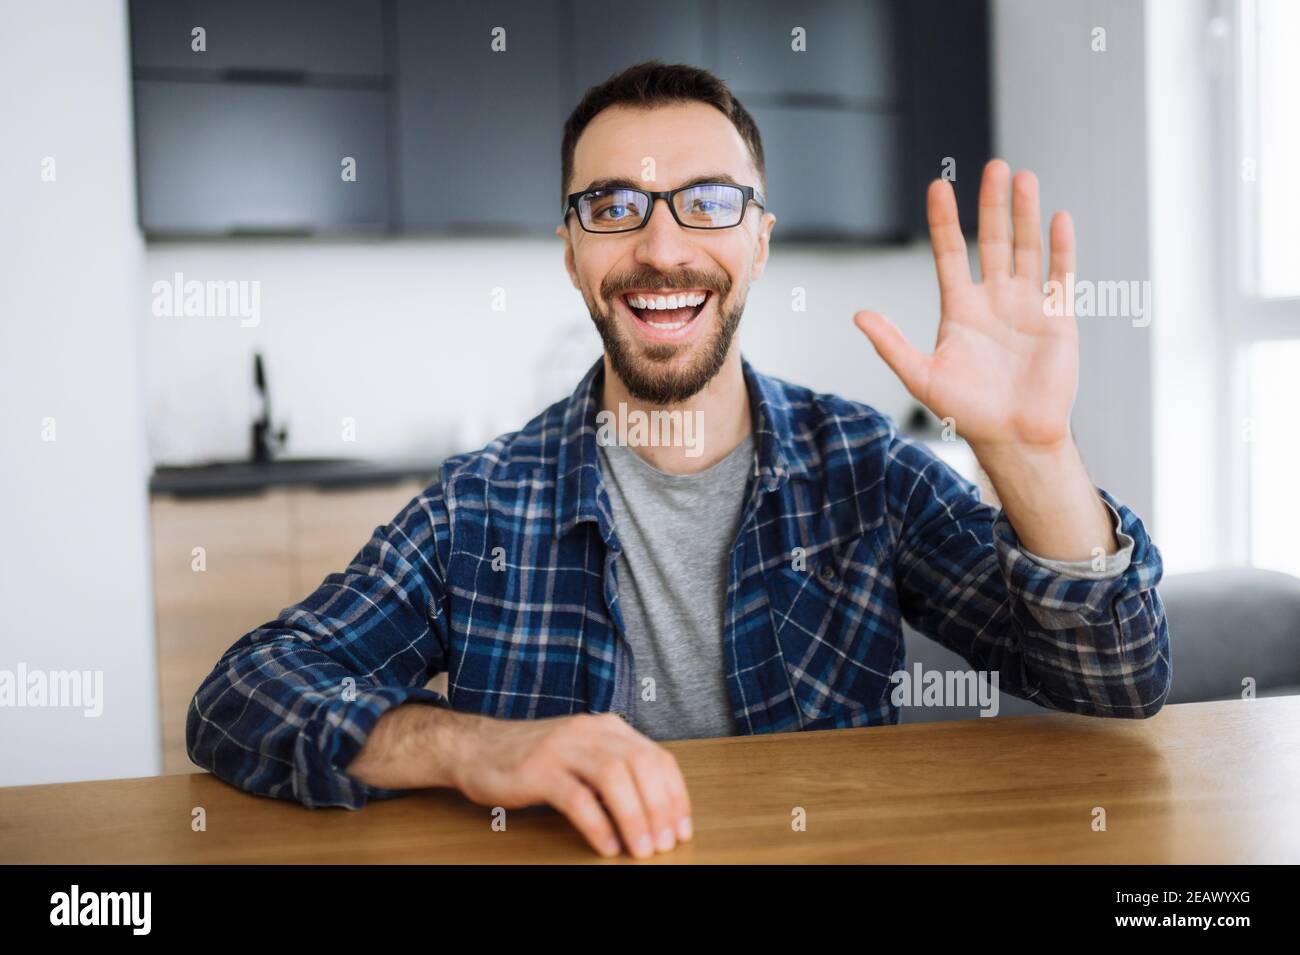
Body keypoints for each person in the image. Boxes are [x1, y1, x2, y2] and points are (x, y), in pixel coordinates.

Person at [188, 61, 1170, 860]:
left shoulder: (861, 467)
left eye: (706, 201)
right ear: (572, 250)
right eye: (612, 205)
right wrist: (467, 746)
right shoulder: (477, 506)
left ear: (758, 238)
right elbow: (241, 697)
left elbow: (1115, 682)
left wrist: (1031, 455)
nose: (661, 247)